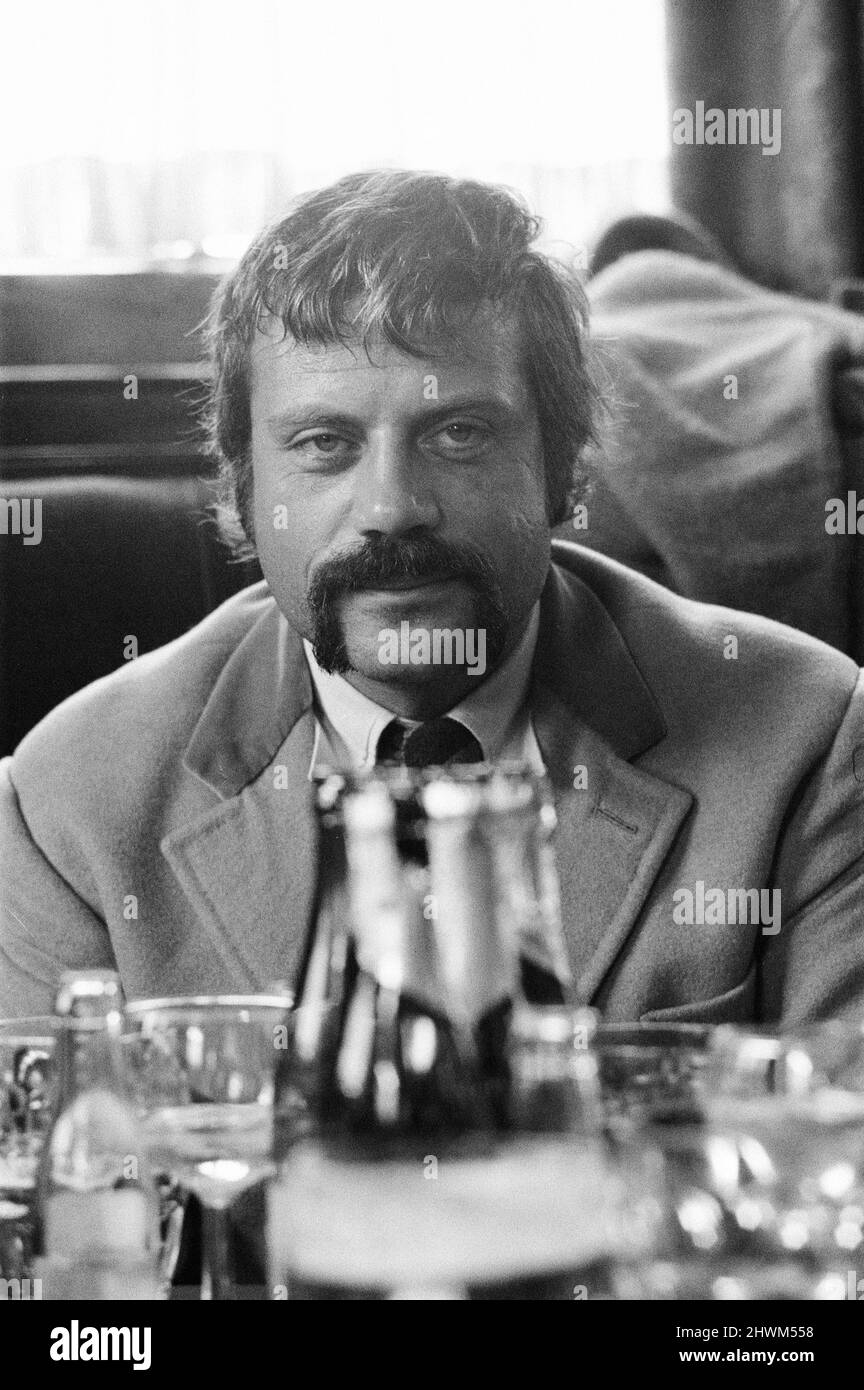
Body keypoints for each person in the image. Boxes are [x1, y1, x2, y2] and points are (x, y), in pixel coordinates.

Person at [1, 169, 863, 1025]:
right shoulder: (68, 807)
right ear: (240, 484)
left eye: (459, 433)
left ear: (562, 471)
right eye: (324, 443)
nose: (390, 509)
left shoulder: (808, 741)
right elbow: (69, 1159)